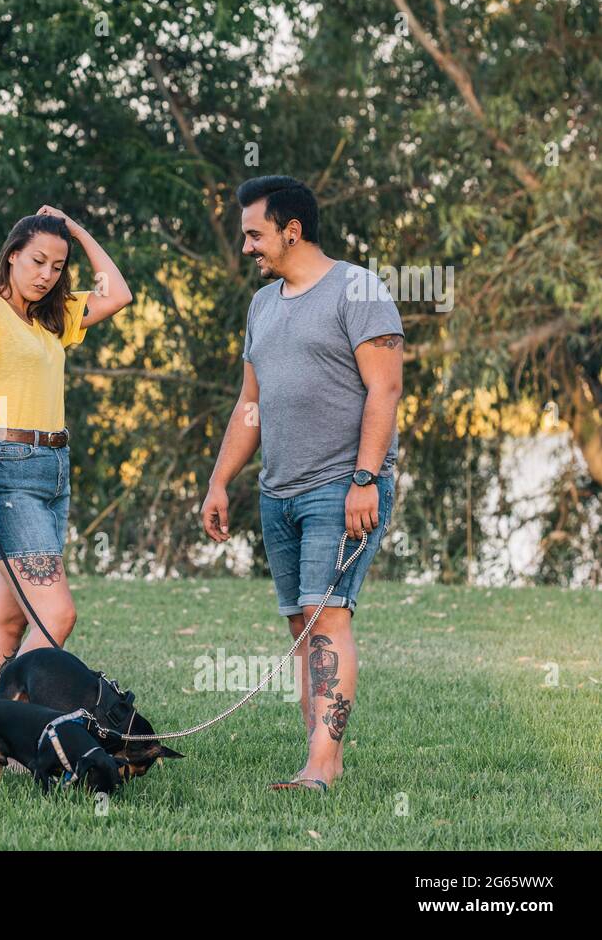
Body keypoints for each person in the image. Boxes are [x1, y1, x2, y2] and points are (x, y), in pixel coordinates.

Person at [201, 176, 404, 792]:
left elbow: (386, 388)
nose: (247, 248)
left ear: (292, 230)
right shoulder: (263, 306)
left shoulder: (358, 288)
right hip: (277, 492)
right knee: (300, 624)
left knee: (326, 617)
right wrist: (218, 482)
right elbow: (249, 404)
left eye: (254, 235)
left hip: (341, 486)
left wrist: (365, 478)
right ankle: (318, 753)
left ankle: (322, 765)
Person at [0, 205, 132, 697]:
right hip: (4, 467)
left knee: (7, 623)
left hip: (54, 471)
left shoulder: (52, 318)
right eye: (36, 261)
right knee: (57, 614)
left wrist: (73, 228)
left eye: (57, 266)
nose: (46, 275)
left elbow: (118, 292)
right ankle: (3, 715)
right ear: (11, 257)